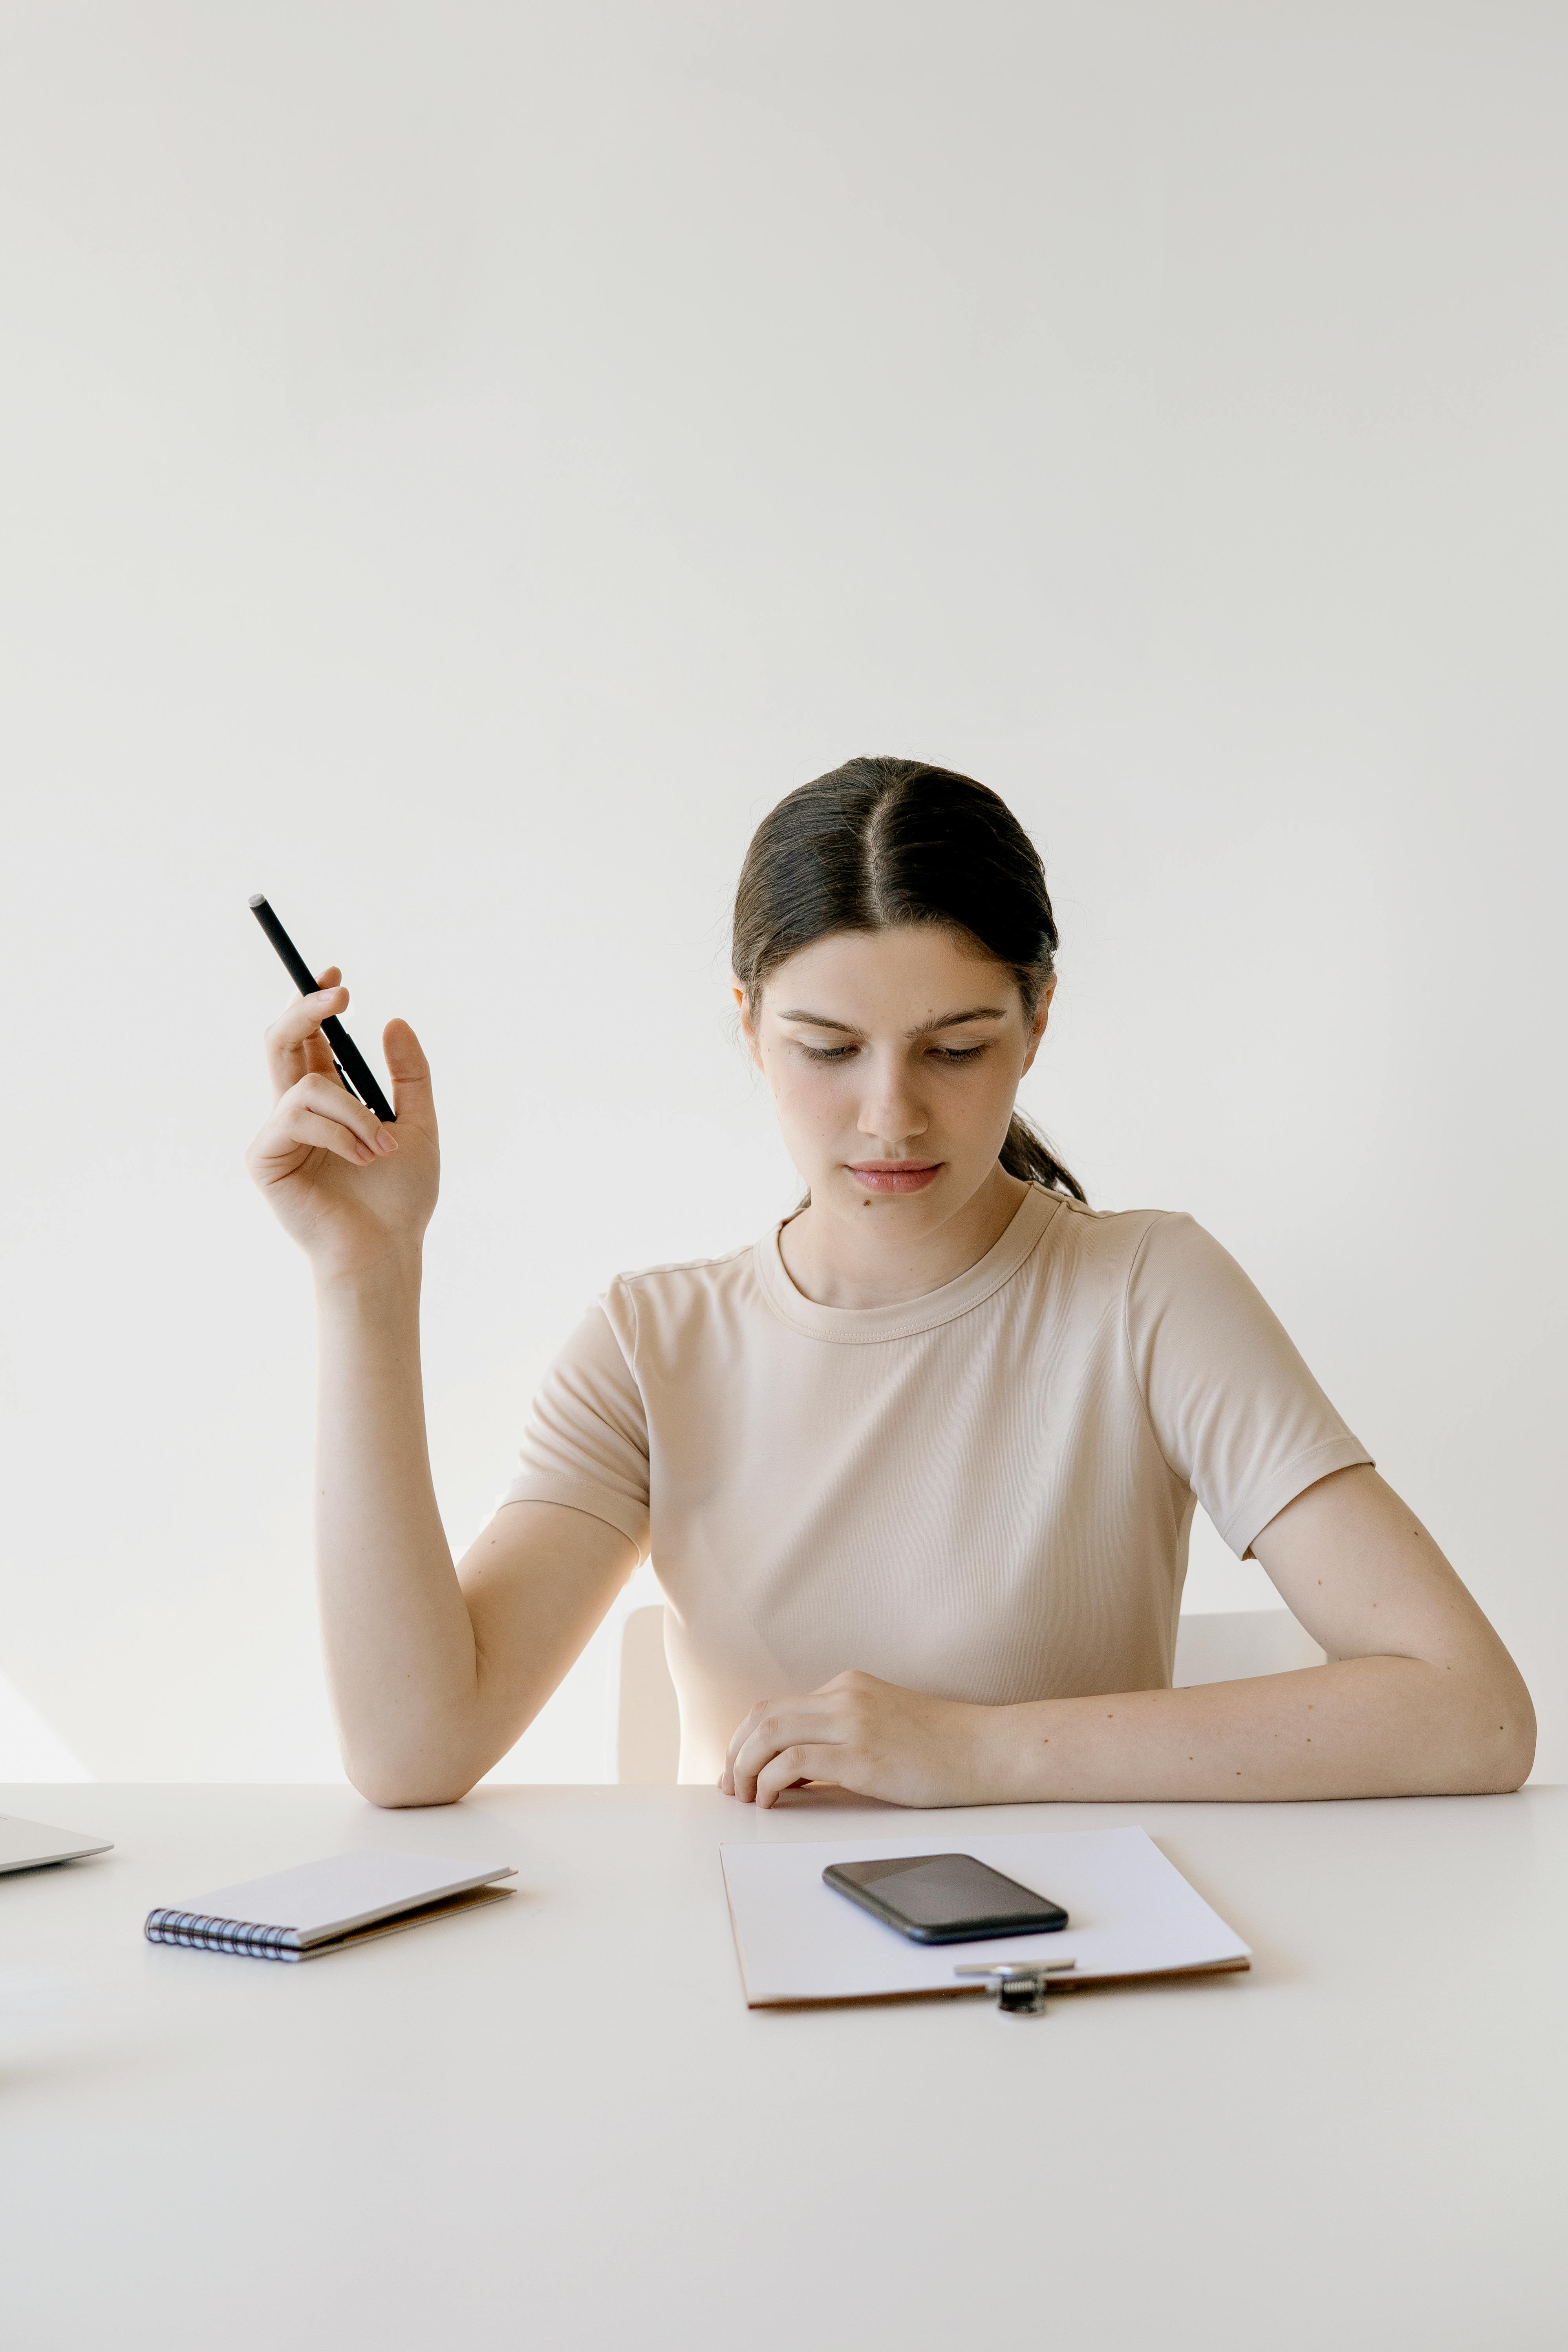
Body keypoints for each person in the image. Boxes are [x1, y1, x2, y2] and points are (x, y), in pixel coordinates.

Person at [246, 757, 1535, 1809]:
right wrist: (368, 1274)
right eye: (827, 1049)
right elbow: (413, 1753)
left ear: (1036, 1022)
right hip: (751, 2005)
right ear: (747, 1026)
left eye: (955, 1048)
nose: (889, 1116)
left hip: (1068, 1979)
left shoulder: (1146, 1290)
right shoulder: (652, 1343)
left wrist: (977, 1753)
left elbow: (1468, 1709)